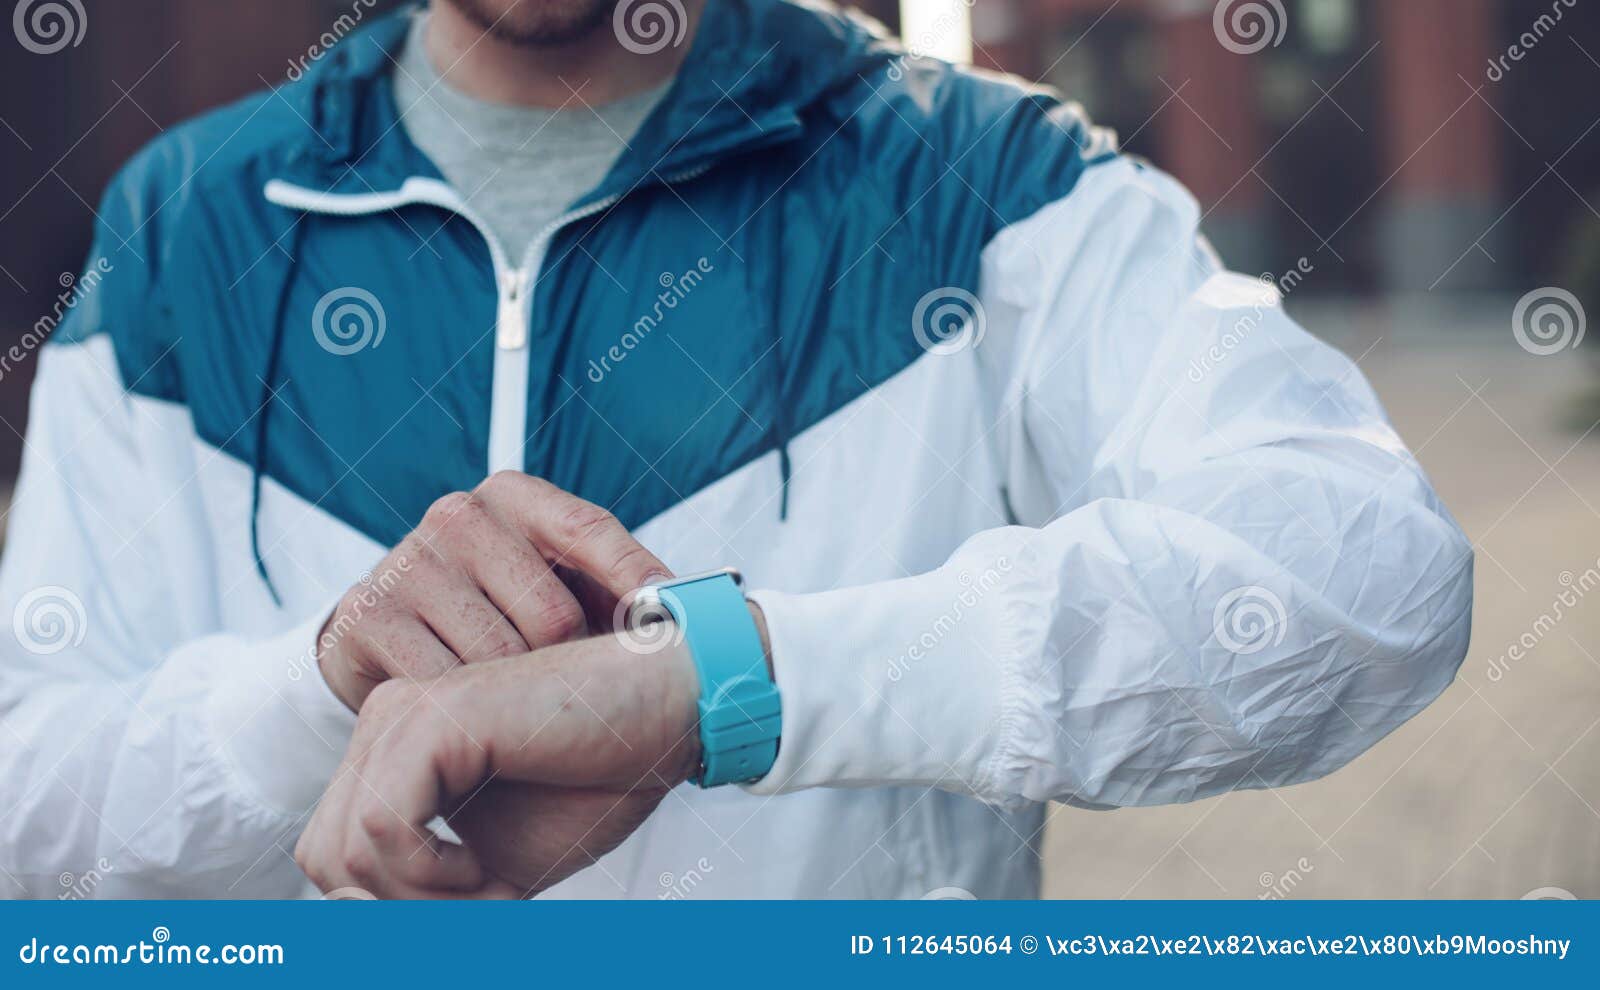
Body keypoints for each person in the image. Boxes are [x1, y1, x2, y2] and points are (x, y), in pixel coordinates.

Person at [0, 0, 1473, 900]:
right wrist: (318, 691)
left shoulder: (983, 178)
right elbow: (31, 812)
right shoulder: (180, 225)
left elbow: (1366, 564)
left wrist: (728, 682)